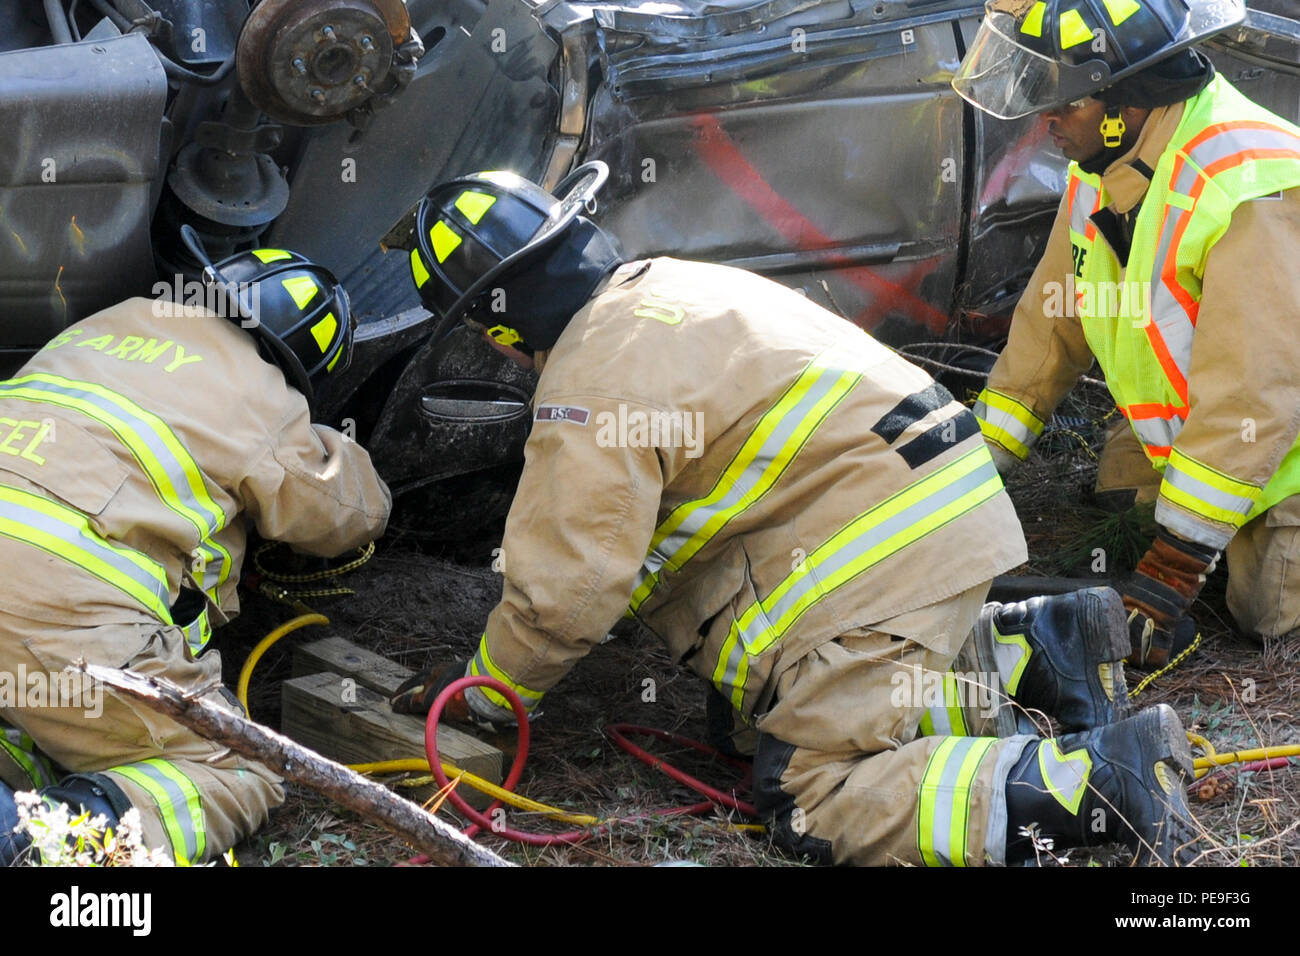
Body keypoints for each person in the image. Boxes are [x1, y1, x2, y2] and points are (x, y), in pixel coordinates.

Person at [390, 162, 1196, 865]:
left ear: (498, 323)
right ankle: (1039, 652)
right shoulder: (673, 287)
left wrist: (486, 692)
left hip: (885, 560)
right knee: (747, 727)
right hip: (937, 520)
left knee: (811, 794)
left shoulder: (589, 383)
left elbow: (568, 591)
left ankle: (1099, 782)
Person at [0, 232, 392, 864]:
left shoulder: (103, 324)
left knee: (30, 725)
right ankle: (40, 847)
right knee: (242, 768)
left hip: (25, 610)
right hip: (56, 611)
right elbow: (344, 515)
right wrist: (328, 442)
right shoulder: (264, 390)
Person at [953, 0, 1300, 664]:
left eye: (1064, 101)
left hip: (1281, 450)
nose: (1043, 117)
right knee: (1120, 497)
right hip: (1197, 433)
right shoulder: (1105, 165)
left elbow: (1254, 399)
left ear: (1128, 97)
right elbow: (1047, 331)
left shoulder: (1250, 189)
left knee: (1260, 615)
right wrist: (968, 470)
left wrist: (1171, 573)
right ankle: (1201, 521)